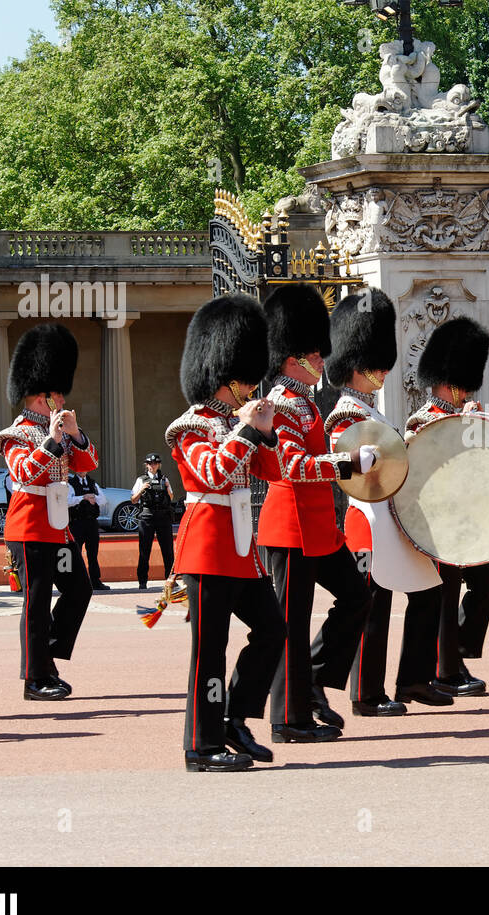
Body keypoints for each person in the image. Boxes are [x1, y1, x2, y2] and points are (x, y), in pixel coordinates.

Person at [166, 293, 286, 771]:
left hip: (241, 547)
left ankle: (236, 717)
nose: (253, 386)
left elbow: (275, 472)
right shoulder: (188, 426)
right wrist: (245, 432)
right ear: (224, 378)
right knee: (208, 652)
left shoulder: (239, 422)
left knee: (272, 630)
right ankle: (202, 743)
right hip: (207, 547)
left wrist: (267, 434)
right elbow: (213, 474)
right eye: (245, 378)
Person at [324, 288, 452, 714]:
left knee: (428, 590)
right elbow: (352, 467)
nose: (381, 372)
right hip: (368, 521)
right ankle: (365, 693)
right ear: (355, 367)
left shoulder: (373, 412)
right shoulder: (345, 413)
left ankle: (413, 679)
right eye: (372, 366)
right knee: (374, 606)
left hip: (392, 517)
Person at [257, 283, 372, 741]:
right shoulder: (282, 405)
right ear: (292, 360)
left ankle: (315, 683)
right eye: (315, 355)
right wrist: (346, 463)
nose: (324, 361)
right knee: (291, 622)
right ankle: (289, 718)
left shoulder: (305, 402)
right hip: (289, 529)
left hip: (319, 527)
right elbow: (291, 466)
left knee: (356, 598)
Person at [0, 323, 98, 703]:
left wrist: (75, 435)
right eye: (56, 394)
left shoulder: (61, 428)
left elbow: (88, 464)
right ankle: (34, 678)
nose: (60, 399)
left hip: (58, 530)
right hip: (28, 528)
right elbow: (24, 472)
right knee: (36, 603)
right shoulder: (14, 435)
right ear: (41, 396)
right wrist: (53, 441)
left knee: (79, 590)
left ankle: (46, 656)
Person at [405, 316, 489, 698]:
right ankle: (446, 669)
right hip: (440, 520)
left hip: (465, 518)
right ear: (447, 381)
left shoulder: (462, 415)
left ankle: (455, 652)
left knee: (484, 585)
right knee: (446, 591)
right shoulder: (423, 419)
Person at [131, 454, 175, 589]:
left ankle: (170, 579)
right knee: (145, 549)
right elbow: (133, 499)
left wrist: (167, 487)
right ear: (146, 465)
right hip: (147, 516)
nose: (153, 465)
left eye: (155, 463)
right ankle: (142, 580)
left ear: (159, 464)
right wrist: (142, 489)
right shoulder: (141, 479)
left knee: (168, 549)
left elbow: (171, 497)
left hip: (162, 516)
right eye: (150, 463)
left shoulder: (164, 478)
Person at [67, 466, 108, 590]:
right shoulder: (70, 484)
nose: (81, 470)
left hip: (91, 523)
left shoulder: (92, 483)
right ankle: (75, 582)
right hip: (77, 523)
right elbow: (68, 501)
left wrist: (93, 497)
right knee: (76, 553)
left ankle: (95, 581)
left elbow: (103, 500)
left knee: (93, 554)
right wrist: (83, 498)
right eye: (79, 467)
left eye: (84, 467)